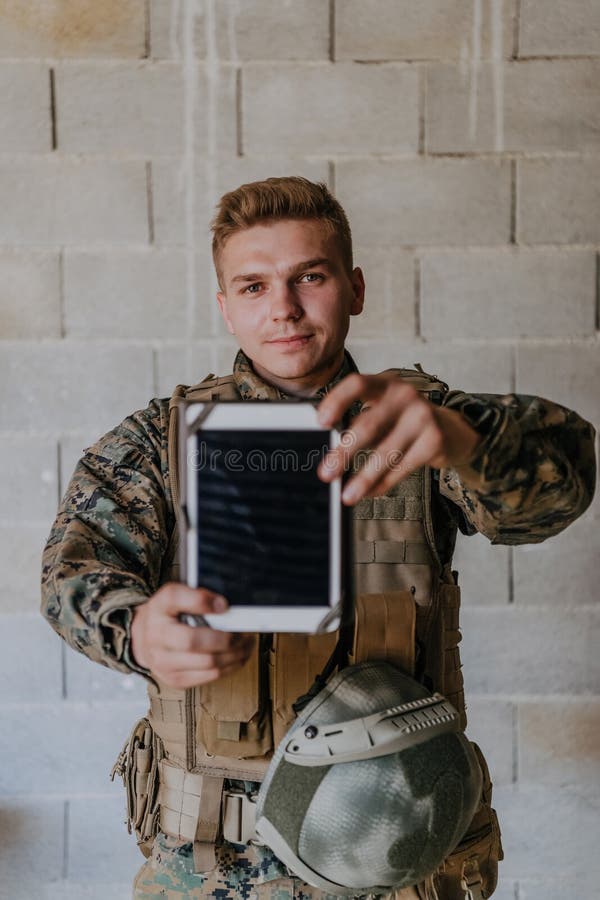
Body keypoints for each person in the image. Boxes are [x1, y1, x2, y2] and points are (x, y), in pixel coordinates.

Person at [41, 177, 596, 900]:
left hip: (400, 850)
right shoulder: (159, 440)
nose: (284, 308)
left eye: (311, 276)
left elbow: (562, 487)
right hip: (215, 864)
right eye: (253, 286)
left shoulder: (420, 422)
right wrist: (137, 628)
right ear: (225, 307)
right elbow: (73, 571)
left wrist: (467, 442)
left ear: (354, 287)